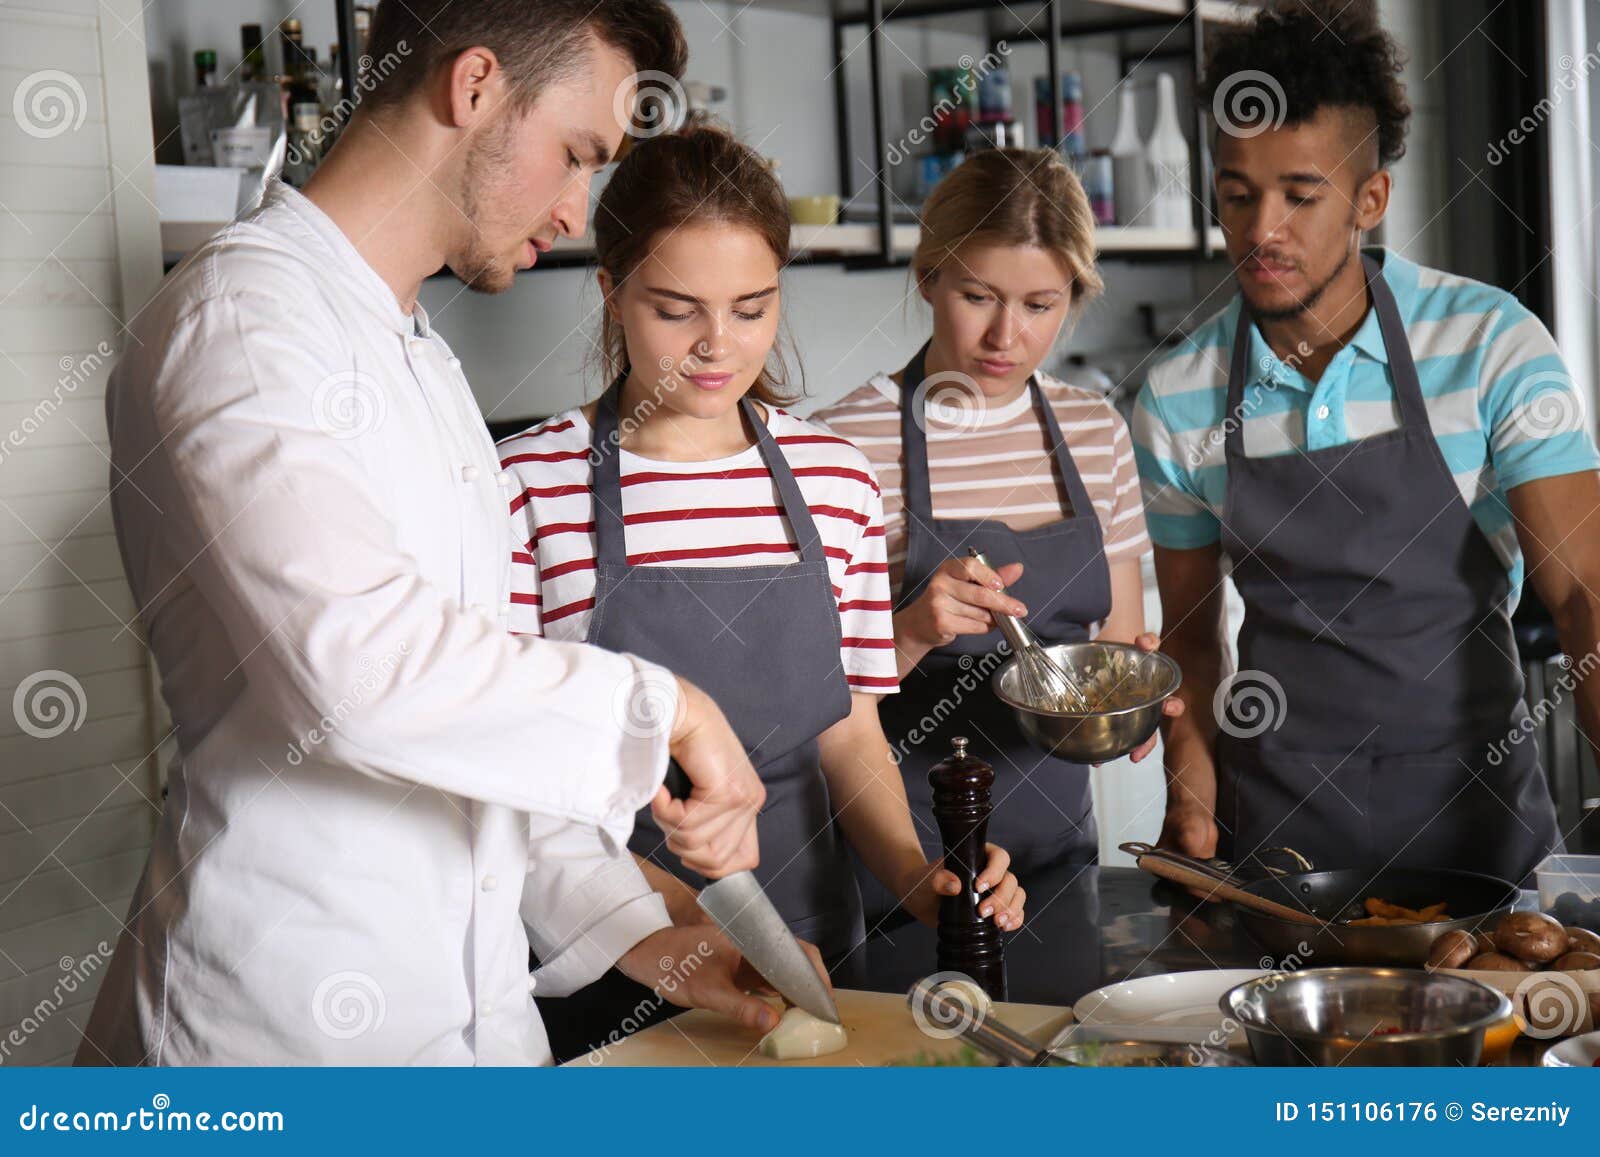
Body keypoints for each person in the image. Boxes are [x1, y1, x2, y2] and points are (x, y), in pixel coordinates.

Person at [79, 1, 780, 1066]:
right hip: (276, 1040)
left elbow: (476, 732)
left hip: (471, 1033)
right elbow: (363, 675)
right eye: (575, 153)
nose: (574, 206)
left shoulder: (421, 364)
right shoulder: (243, 321)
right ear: (475, 85)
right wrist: (666, 706)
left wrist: (653, 935)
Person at [499, 125, 1026, 1056]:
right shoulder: (525, 486)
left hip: (819, 958)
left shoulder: (834, 480)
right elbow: (517, 778)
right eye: (676, 309)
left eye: (751, 308)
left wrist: (922, 878)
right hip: (612, 965)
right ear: (611, 290)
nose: (717, 346)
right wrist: (694, 936)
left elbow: (847, 728)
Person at [1134, 0, 1600, 884]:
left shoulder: (1491, 345)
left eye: (1301, 197)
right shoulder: (1178, 396)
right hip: (1284, 853)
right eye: (1237, 196)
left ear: (1370, 199)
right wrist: (1191, 806)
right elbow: (1192, 641)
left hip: (1484, 844)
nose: (1262, 230)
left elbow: (1585, 596)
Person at [815, 148, 1180, 926]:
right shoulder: (844, 443)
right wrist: (911, 629)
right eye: (978, 295)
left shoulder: (1094, 430)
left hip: (1061, 856)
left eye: (1041, 305)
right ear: (929, 278)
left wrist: (1130, 694)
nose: (1005, 336)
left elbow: (1110, 637)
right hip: (899, 866)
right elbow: (811, 697)